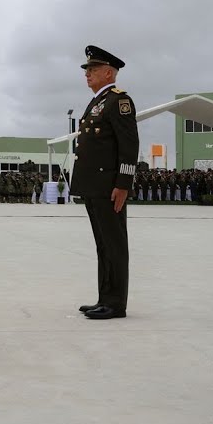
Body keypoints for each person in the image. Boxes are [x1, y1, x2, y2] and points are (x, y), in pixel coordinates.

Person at [70, 45, 139, 321]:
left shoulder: (119, 101)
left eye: (93, 70)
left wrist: (123, 184)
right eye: (87, 70)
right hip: (94, 185)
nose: (88, 74)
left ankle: (116, 303)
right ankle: (104, 297)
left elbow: (129, 145)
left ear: (109, 72)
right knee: (103, 244)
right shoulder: (98, 101)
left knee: (114, 243)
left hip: (109, 186)